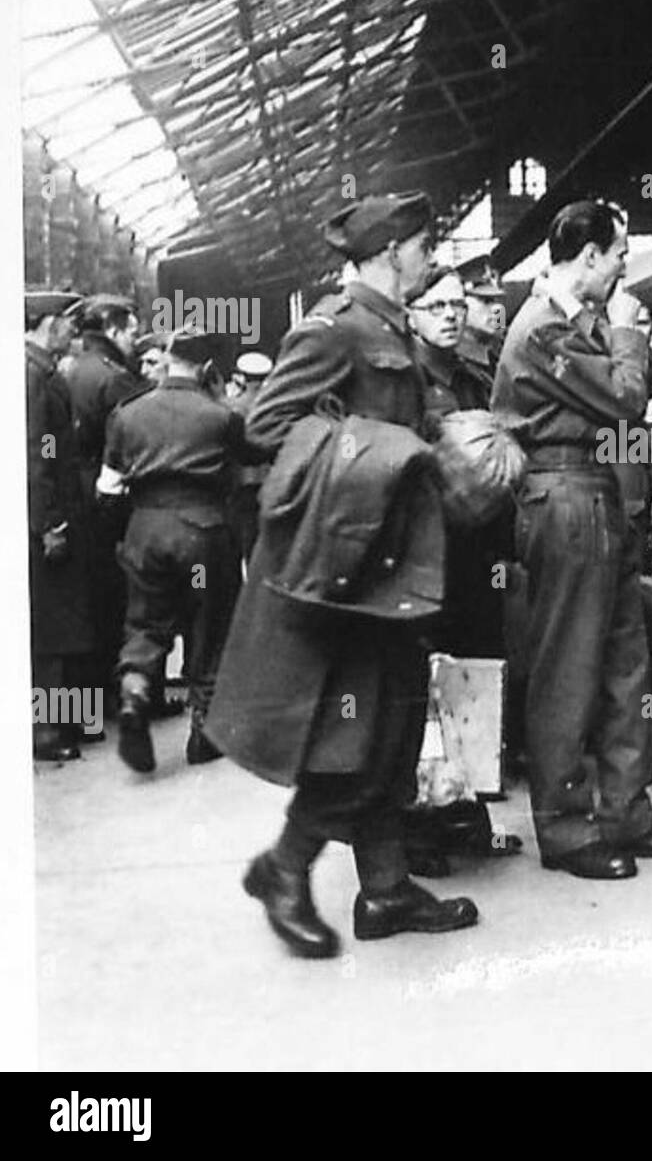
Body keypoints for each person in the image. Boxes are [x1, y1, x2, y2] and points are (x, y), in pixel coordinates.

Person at [207, 192, 478, 958]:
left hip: (394, 565)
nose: (433, 257)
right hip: (349, 573)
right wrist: (375, 449)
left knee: (393, 729)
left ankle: (385, 889)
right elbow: (264, 427)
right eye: (426, 245)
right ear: (393, 250)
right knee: (352, 735)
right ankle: (284, 868)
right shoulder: (335, 330)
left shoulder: (393, 328)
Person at [492, 198, 652, 880]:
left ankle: (626, 809)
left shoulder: (567, 321)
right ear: (590, 257)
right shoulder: (542, 330)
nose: (621, 270)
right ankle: (564, 825)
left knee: (622, 661)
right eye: (618, 256)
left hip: (595, 491)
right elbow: (624, 401)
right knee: (568, 667)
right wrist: (626, 333)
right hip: (564, 495)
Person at [404, 268, 522, 873]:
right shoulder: (403, 378)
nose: (450, 314)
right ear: (409, 312)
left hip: (476, 552)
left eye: (456, 304)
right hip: (423, 552)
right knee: (426, 684)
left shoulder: (476, 376)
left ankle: (467, 810)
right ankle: (420, 825)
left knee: (476, 675)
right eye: (435, 305)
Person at [99, 327, 247, 772]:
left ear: (167, 359)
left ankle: (135, 692)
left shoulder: (127, 414)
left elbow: (107, 487)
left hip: (146, 529)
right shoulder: (220, 417)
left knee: (145, 621)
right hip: (203, 532)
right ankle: (204, 731)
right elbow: (243, 464)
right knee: (209, 623)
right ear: (206, 368)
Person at [64, 294, 145, 718]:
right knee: (120, 596)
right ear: (112, 329)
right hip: (111, 500)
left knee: (87, 599)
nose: (135, 338)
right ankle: (121, 697)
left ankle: (86, 705)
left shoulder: (72, 367)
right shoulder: (114, 378)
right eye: (131, 329)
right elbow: (134, 441)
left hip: (77, 497)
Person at [26, 291, 97, 762]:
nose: (74, 332)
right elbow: (37, 453)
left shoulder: (43, 374)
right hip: (47, 523)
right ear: (48, 323)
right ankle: (45, 731)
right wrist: (49, 523)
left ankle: (68, 721)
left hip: (58, 514)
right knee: (50, 632)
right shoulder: (31, 378)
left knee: (64, 625)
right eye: (68, 323)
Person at [225, 351, 275, 566]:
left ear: (241, 378)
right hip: (271, 482)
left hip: (240, 483)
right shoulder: (275, 406)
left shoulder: (230, 406)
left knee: (239, 544)